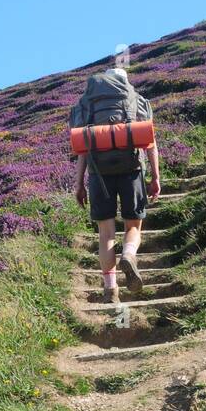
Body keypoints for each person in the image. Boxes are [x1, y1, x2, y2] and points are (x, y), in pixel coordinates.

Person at [73, 78, 160, 304]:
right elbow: (150, 142)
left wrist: (79, 183)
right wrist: (156, 177)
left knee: (106, 234)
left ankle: (110, 290)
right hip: (131, 170)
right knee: (133, 226)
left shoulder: (86, 106)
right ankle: (129, 255)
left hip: (98, 175)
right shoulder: (137, 101)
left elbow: (82, 149)